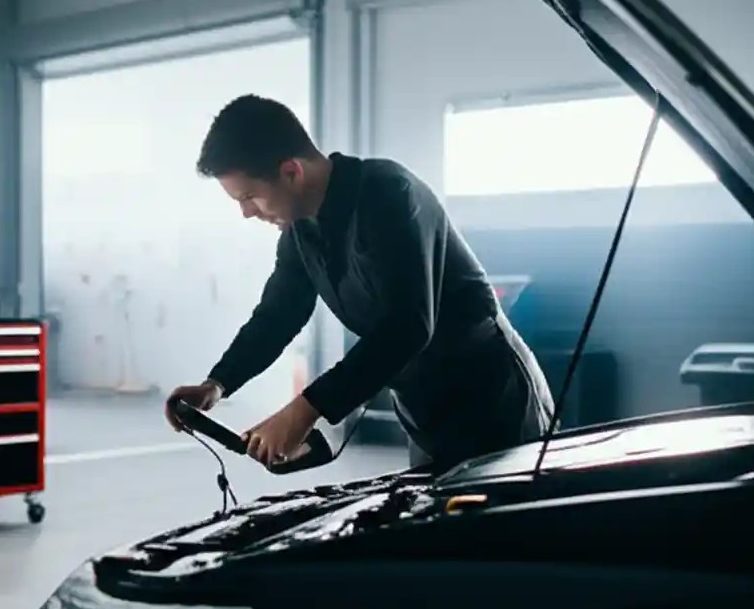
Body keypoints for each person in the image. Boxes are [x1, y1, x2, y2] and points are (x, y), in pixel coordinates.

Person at [166, 94, 553, 472]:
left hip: (492, 398)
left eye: (249, 196)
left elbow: (409, 325)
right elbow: (277, 315)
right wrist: (218, 383)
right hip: (424, 409)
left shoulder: (388, 194)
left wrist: (306, 408)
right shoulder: (300, 231)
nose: (247, 213)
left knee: (504, 526)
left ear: (291, 172)